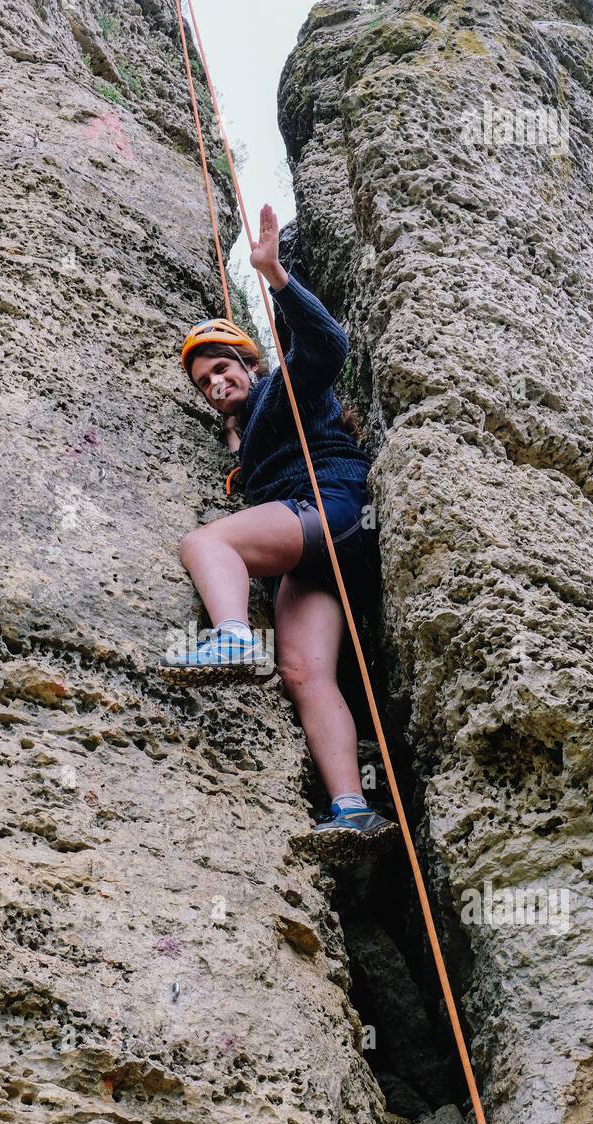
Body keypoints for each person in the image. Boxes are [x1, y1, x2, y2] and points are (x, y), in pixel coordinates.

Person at [161, 204, 398, 860]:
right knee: (303, 670)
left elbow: (328, 346)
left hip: (331, 508)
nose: (218, 382)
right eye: (206, 379)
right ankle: (353, 808)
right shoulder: (246, 447)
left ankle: (233, 638)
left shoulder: (282, 387)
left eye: (226, 367)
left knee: (207, 543)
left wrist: (275, 278)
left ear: (251, 364)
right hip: (319, 551)